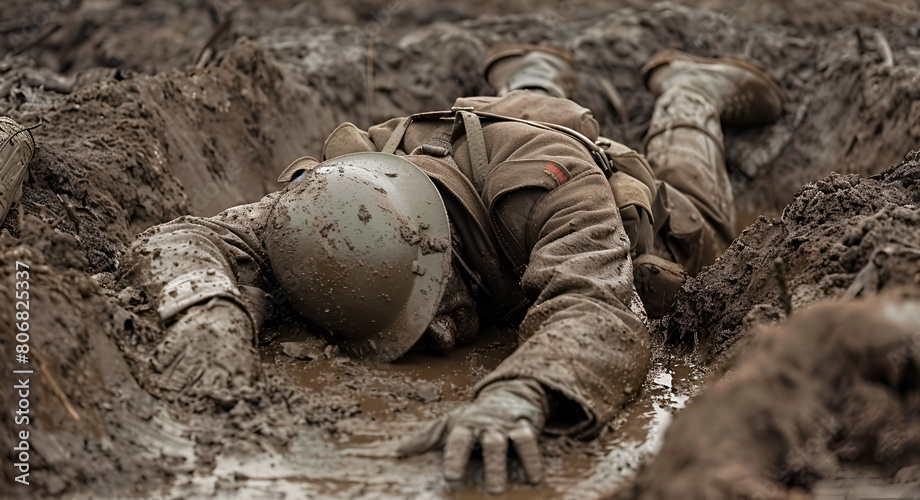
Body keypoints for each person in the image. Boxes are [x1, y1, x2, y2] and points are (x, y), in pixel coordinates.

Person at [113, 43, 784, 494]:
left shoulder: (553, 191)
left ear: (444, 247)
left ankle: (690, 92)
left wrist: (519, 393)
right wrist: (205, 312)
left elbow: (595, 305)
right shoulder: (336, 196)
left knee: (699, 225)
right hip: (489, 135)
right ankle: (531, 74)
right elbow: (183, 239)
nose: (434, 336)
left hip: (579, 174)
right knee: (515, 120)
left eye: (430, 307)